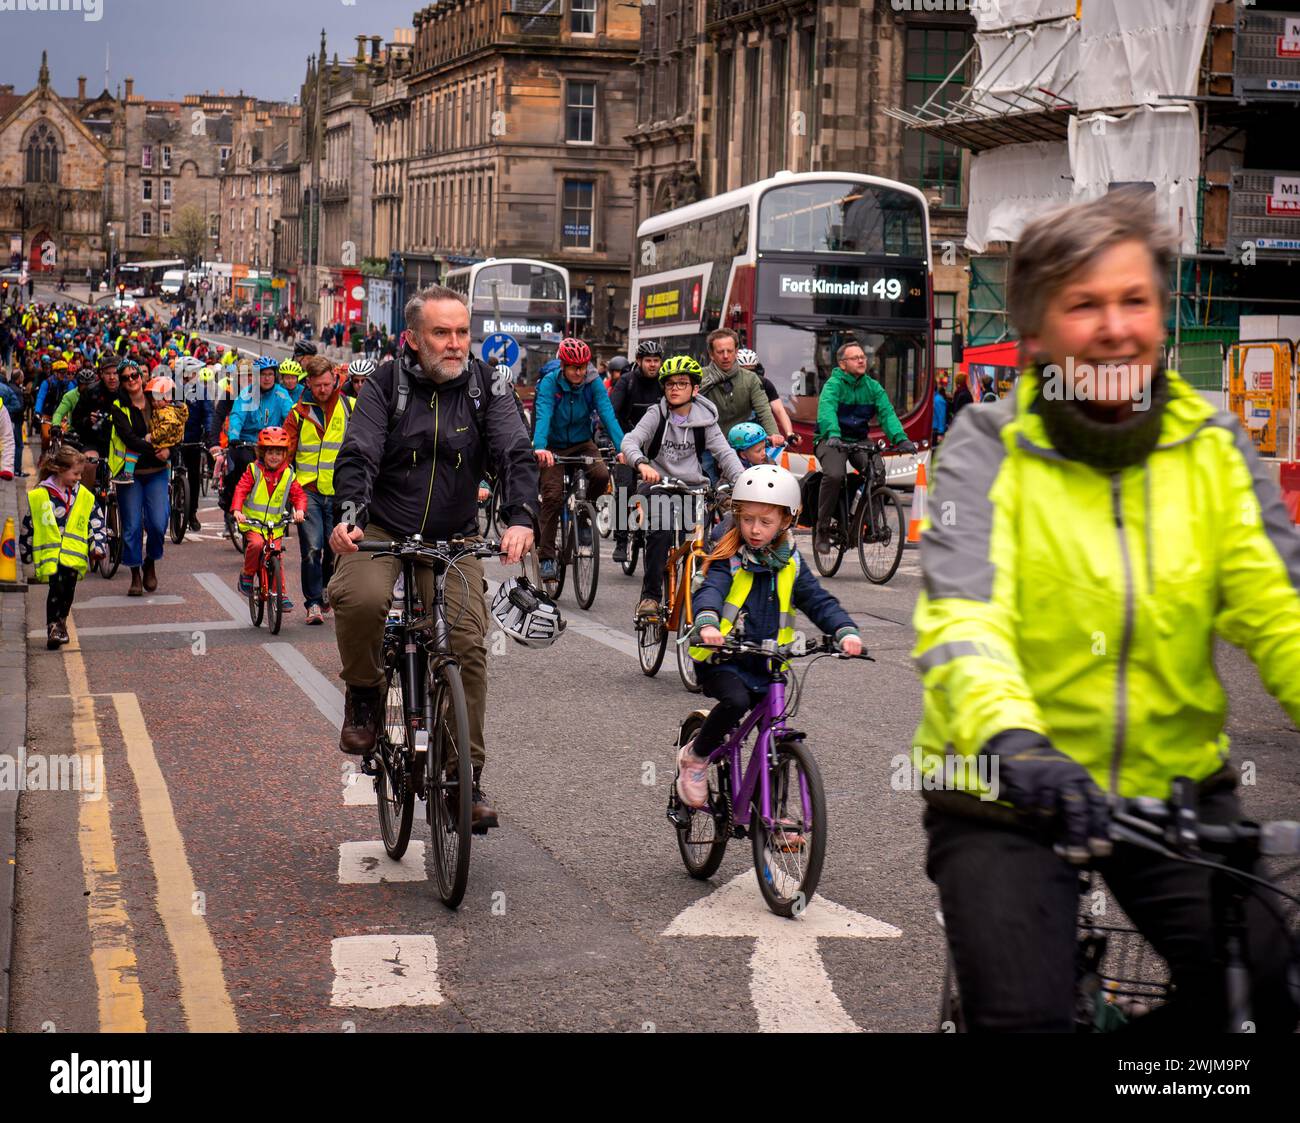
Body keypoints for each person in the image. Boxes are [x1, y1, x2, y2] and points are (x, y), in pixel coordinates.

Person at [914, 189, 1300, 1033]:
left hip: (1173, 790)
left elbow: (1280, 609)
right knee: (1023, 1018)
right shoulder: (985, 447)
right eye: (1083, 305)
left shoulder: (1215, 445)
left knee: (1267, 986)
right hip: (1007, 792)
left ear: (1162, 316)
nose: (1115, 326)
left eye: (1135, 300)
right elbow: (964, 620)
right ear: (1038, 332)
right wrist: (1015, 743)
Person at [328, 283, 539, 831]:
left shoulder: (488, 386)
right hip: (383, 525)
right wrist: (350, 516)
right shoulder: (385, 384)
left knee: (467, 641)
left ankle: (462, 782)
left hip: (454, 535)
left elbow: (515, 452)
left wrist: (521, 518)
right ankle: (365, 692)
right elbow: (359, 453)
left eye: (462, 332)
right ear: (413, 338)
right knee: (360, 598)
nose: (454, 344)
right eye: (441, 333)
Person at [677, 464, 861, 806]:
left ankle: (777, 816)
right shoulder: (728, 557)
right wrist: (707, 624)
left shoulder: (790, 561)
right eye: (747, 520)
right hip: (723, 658)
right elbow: (711, 592)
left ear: (786, 521)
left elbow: (817, 600)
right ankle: (697, 756)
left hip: (769, 664)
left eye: (765, 521)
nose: (755, 529)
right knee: (736, 702)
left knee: (775, 737)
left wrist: (844, 630)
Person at [621, 355, 744, 617]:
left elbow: (725, 453)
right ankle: (651, 598)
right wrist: (643, 464)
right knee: (661, 530)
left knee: (703, 543)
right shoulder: (656, 414)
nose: (675, 388)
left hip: (693, 489)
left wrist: (744, 482)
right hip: (659, 485)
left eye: (682, 383)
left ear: (695, 389)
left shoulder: (705, 420)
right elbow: (630, 442)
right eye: (669, 384)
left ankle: (705, 601)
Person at [532, 336, 624, 582]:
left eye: (583, 367)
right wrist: (540, 447)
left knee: (602, 474)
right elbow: (543, 414)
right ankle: (547, 557)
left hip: (583, 442)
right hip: (553, 445)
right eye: (574, 367)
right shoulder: (550, 383)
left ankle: (584, 518)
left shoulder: (593, 383)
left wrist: (623, 447)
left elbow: (606, 413)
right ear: (563, 366)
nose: (579, 372)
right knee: (552, 495)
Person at [813, 341, 917, 553]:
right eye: (855, 357)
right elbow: (827, 410)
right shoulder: (833, 385)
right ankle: (822, 529)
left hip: (858, 440)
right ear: (843, 364)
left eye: (863, 356)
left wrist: (901, 439)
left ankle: (869, 525)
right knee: (834, 475)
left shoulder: (873, 387)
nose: (861, 360)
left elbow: (887, 414)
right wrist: (833, 433)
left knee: (877, 471)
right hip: (830, 439)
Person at [285, 354, 352, 624]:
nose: (323, 390)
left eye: (327, 384)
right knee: (311, 548)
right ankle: (313, 602)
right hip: (307, 491)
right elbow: (286, 451)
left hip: (338, 492)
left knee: (333, 547)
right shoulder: (298, 413)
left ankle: (326, 592)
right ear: (309, 384)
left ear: (334, 379)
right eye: (317, 386)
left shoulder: (350, 407)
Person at [20, 443, 104, 648]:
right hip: (52, 554)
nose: (79, 478)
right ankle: (53, 627)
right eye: (75, 473)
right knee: (56, 588)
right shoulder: (41, 495)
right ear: (60, 470)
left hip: (73, 555)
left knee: (68, 591)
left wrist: (98, 545)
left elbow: (95, 521)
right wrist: (26, 551)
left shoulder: (83, 496)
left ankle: (61, 623)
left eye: (80, 474)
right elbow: (30, 524)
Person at [108, 359, 172, 597]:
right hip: (129, 474)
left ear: (142, 376)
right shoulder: (118, 406)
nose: (132, 380)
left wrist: (169, 450)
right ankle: (135, 573)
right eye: (126, 378)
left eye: (135, 375)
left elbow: (172, 429)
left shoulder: (156, 399)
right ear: (122, 383)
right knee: (132, 525)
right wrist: (155, 444)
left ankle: (150, 562)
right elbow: (128, 438)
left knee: (157, 523)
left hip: (157, 471)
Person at [232, 426, 307, 608]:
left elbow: (298, 495)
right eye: (270, 452)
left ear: (285, 455)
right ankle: (247, 575)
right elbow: (241, 490)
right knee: (257, 545)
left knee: (276, 557)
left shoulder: (288, 473)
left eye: (279, 453)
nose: (274, 457)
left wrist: (300, 510)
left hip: (275, 526)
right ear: (262, 453)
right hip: (254, 524)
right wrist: (237, 510)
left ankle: (280, 595)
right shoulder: (253, 470)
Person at [608, 340, 665, 565]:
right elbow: (612, 414)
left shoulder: (664, 383)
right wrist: (615, 444)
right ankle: (622, 541)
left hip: (655, 446)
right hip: (627, 443)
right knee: (624, 487)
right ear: (639, 361)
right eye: (648, 361)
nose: (652, 365)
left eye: (656, 361)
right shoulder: (627, 382)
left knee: (661, 488)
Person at [698, 329, 782, 452]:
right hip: (707, 445)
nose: (726, 356)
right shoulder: (698, 377)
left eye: (730, 351)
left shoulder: (751, 378)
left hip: (741, 444)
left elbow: (763, 409)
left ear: (736, 352)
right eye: (720, 352)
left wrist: (774, 433)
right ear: (711, 354)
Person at [736, 348, 800, 448]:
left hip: (759, 435)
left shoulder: (765, 383)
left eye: (752, 370)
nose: (749, 376)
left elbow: (779, 410)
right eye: (744, 371)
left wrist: (789, 434)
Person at [932, 375, 950, 445]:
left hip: (935, 431)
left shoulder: (938, 400)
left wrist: (940, 433)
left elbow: (941, 417)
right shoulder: (934, 398)